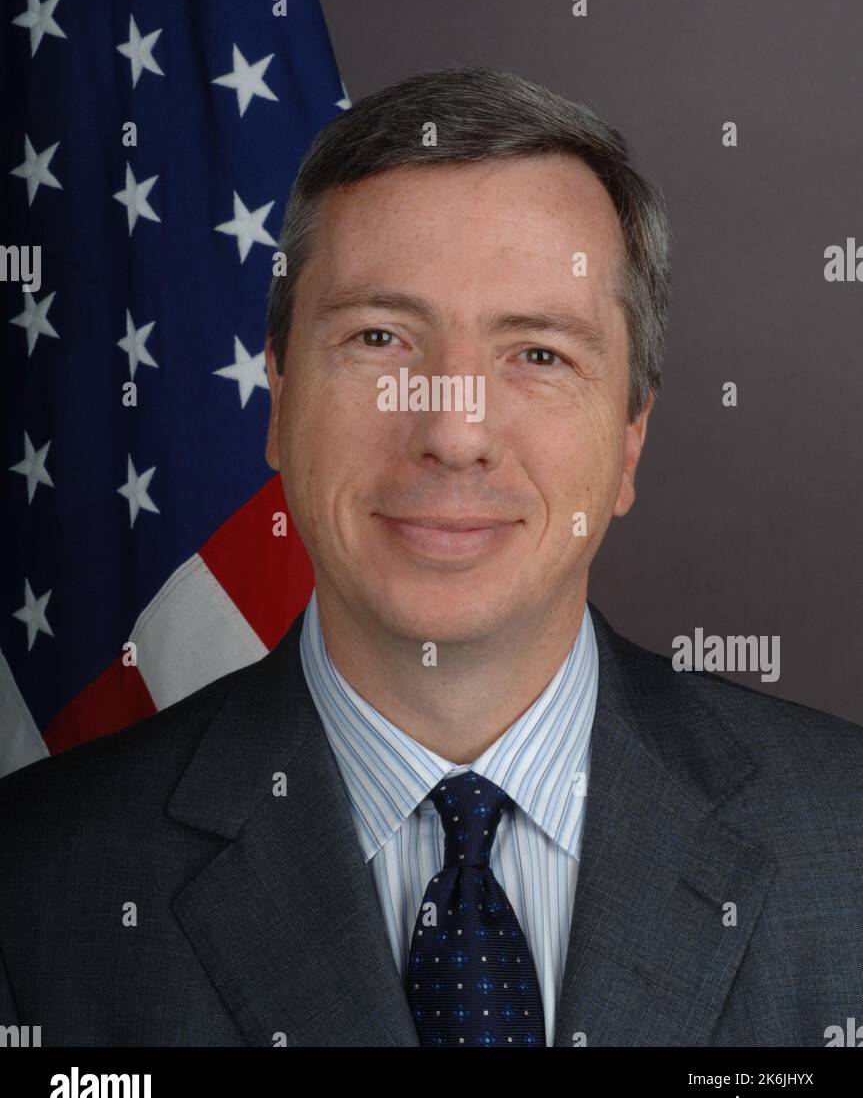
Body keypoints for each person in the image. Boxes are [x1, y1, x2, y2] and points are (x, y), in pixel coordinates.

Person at [1, 67, 860, 1047]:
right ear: (278, 403)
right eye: (379, 337)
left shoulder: (847, 855)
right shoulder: (36, 893)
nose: (451, 432)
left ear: (628, 439)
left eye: (537, 353)